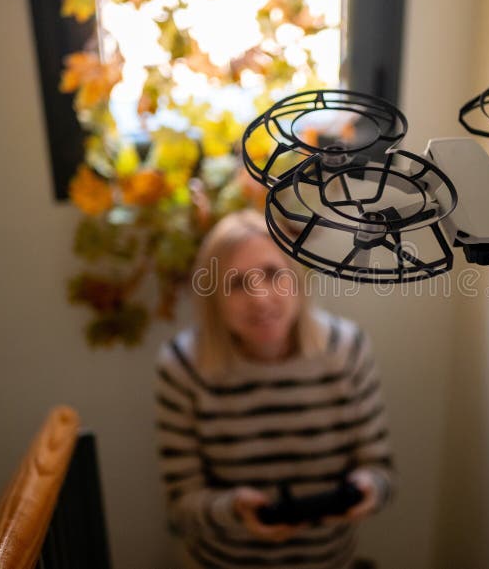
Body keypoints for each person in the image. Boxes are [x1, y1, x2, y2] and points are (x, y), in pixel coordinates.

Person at [155, 209, 395, 569]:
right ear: (213, 299)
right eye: (236, 283)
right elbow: (181, 506)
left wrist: (368, 489)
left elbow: (382, 471)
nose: (260, 298)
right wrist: (234, 509)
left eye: (272, 274)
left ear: (296, 278)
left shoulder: (347, 349)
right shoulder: (183, 366)